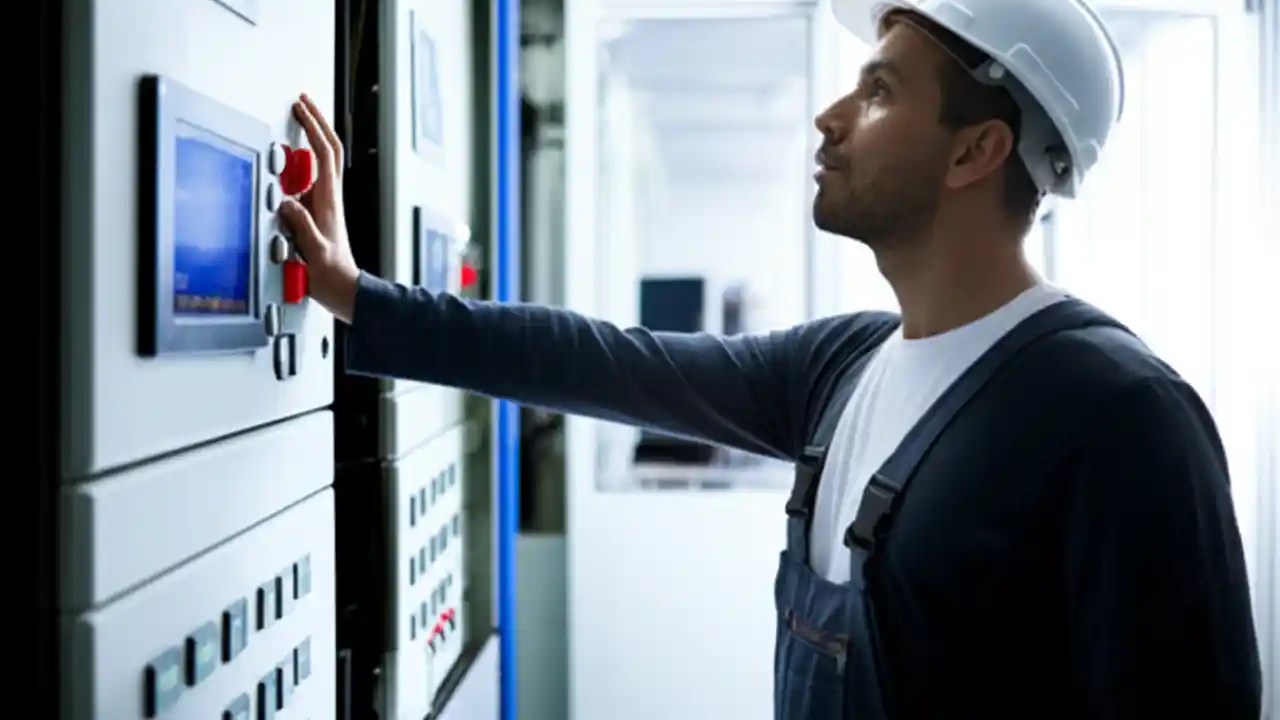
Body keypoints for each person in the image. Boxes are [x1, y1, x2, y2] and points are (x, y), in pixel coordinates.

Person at [280, 0, 1262, 716]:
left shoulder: (1117, 414)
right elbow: (603, 362)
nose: (828, 118)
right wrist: (354, 295)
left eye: (877, 91)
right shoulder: (845, 367)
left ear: (975, 152)